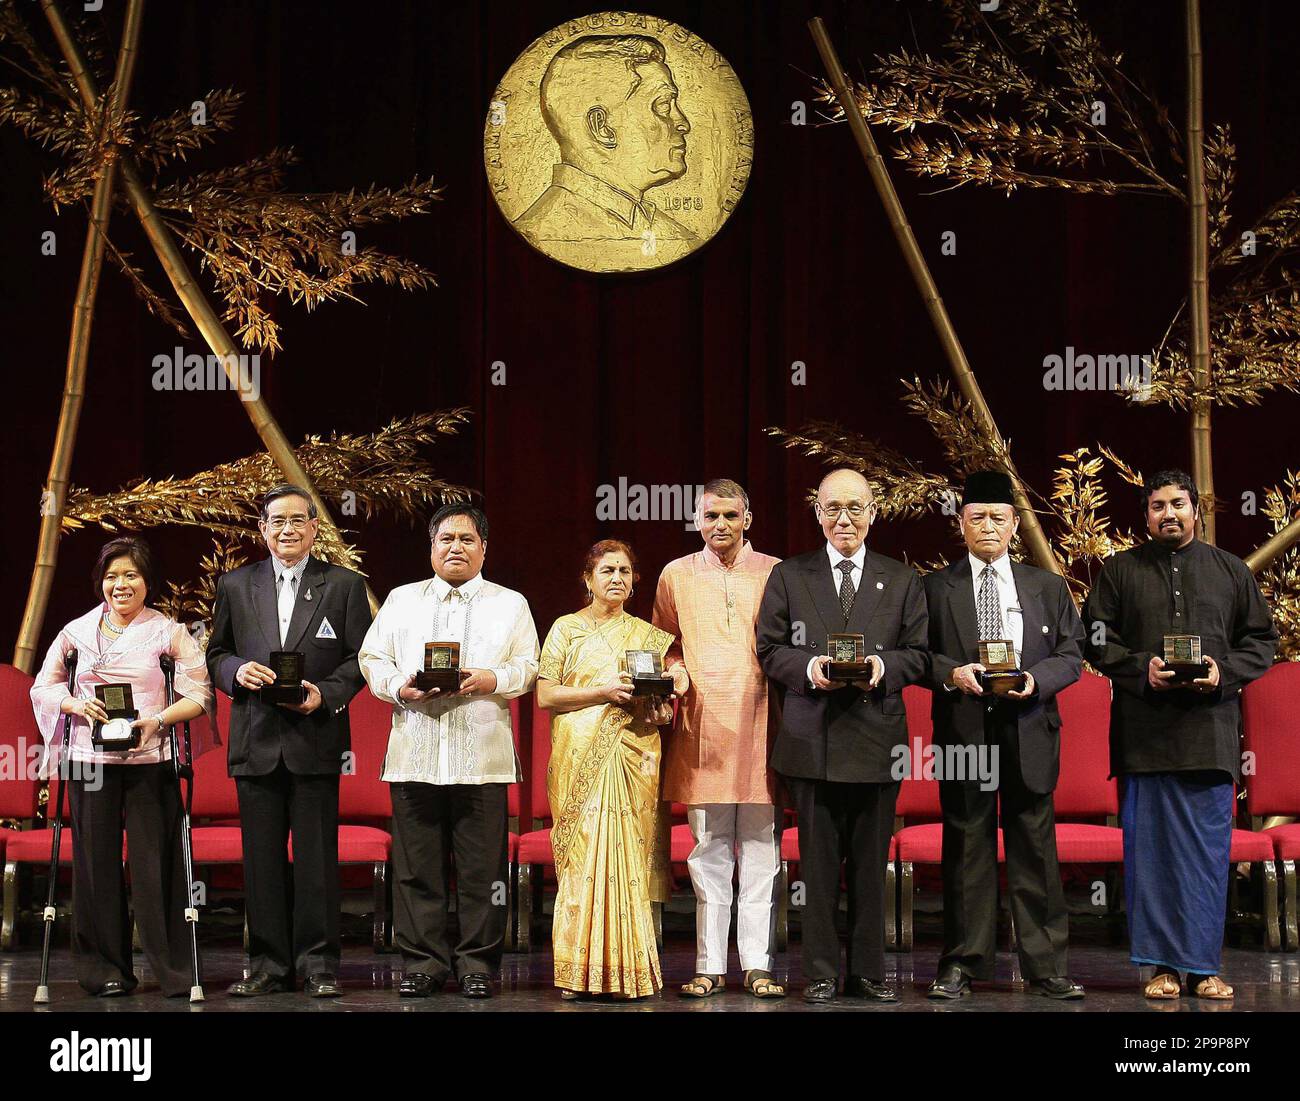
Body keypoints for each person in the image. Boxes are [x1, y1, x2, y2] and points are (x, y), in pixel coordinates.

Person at [1084, 470, 1277, 1001]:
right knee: (1152, 859)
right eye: (1156, 506)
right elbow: (1095, 637)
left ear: (1196, 510)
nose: (1168, 514)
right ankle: (1162, 968)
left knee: (1207, 858)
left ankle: (1204, 966)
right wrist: (1139, 667)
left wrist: (1224, 673)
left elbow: (1261, 641)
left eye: (1178, 504)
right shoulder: (1119, 571)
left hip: (1209, 736)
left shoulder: (1231, 571)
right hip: (1144, 737)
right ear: (1145, 515)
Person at [757, 468, 928, 1004]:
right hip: (812, 742)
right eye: (832, 508)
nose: (844, 519)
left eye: (855, 508)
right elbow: (770, 649)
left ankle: (871, 972)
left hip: (877, 740)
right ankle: (823, 972)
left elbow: (920, 653)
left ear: (873, 513)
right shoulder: (790, 575)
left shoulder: (901, 579)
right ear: (818, 513)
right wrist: (811, 670)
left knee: (871, 868)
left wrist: (880, 666)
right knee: (820, 867)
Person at [359, 504, 539, 999]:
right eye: (446, 539)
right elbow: (372, 658)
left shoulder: (511, 603)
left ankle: (478, 964)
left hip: (482, 756)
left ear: (484, 547)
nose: (455, 547)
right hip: (414, 752)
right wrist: (401, 687)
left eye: (466, 539)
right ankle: (423, 963)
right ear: (431, 548)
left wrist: (491, 679)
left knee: (482, 872)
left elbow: (529, 666)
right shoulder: (401, 601)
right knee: (417, 869)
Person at [922, 471, 1086, 1000]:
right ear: (960, 524)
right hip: (964, 727)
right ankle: (962, 964)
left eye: (998, 518)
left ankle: (1045, 967)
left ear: (1015, 524)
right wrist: (952, 673)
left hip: (1029, 725)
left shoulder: (1046, 585)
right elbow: (919, 654)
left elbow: (1072, 654)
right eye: (977, 518)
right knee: (966, 841)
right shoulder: (934, 586)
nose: (988, 527)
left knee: (1034, 845)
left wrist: (1038, 681)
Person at [207, 484, 372, 997]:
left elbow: (361, 659)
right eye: (277, 521)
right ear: (262, 529)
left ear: (314, 528)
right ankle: (267, 966)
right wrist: (237, 672)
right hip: (255, 738)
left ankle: (319, 965)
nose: (287, 529)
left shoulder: (342, 585)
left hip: (316, 738)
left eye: (298, 520)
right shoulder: (236, 584)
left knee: (318, 860)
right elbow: (215, 653)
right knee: (260, 861)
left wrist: (324, 695)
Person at [30, 537, 213, 997]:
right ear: (100, 583)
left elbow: (199, 694)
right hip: (90, 761)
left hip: (150, 758)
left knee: (155, 864)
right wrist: (74, 704)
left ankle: (171, 972)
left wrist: (158, 720)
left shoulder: (170, 632)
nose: (121, 584)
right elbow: (42, 688)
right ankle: (105, 969)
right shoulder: (74, 633)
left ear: (147, 581)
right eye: (112, 576)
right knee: (95, 863)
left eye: (131, 574)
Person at [652, 478, 784, 999]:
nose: (720, 526)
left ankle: (757, 964)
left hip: (763, 722)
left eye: (730, 516)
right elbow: (664, 646)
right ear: (698, 520)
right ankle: (708, 964)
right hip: (703, 725)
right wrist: (677, 674)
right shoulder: (676, 575)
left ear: (747, 519)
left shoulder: (776, 572)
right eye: (710, 517)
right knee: (706, 849)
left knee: (760, 847)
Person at [536, 539, 685, 999]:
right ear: (588, 579)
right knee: (584, 862)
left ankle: (630, 973)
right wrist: (602, 692)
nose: (617, 578)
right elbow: (545, 695)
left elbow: (659, 707)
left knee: (628, 864)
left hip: (633, 756)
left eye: (624, 571)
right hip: (580, 757)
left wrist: (662, 707)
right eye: (607, 571)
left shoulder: (647, 636)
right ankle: (577, 973)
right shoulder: (566, 629)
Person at [514, 35, 697, 259]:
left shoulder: (680, 239)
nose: (683, 124)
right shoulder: (539, 234)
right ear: (602, 128)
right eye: (662, 106)